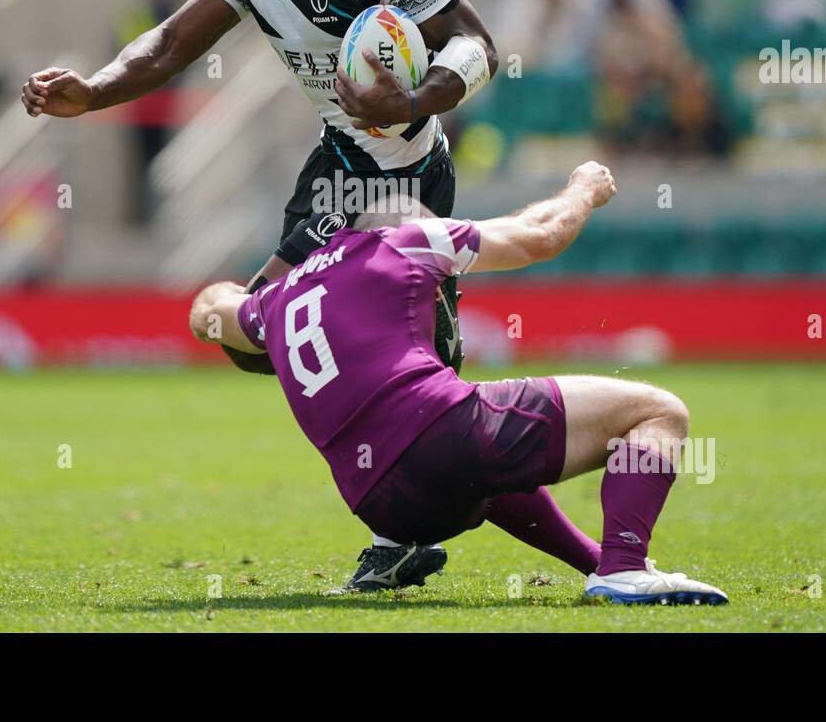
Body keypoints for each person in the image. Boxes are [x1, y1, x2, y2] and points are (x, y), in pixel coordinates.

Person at [22, 0, 501, 588]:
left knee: (346, 350)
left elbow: (477, 44)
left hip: (408, 173)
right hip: (336, 167)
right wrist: (94, 92)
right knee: (258, 339)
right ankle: (417, 409)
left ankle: (409, 517)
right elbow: (172, 44)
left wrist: (409, 100)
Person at [189, 160, 729, 605]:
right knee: (660, 412)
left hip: (384, 505)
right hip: (440, 438)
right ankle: (626, 568)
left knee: (479, 466)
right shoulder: (403, 240)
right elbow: (540, 235)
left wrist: (247, 286)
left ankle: (600, 565)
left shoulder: (275, 302)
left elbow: (207, 311)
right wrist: (583, 187)